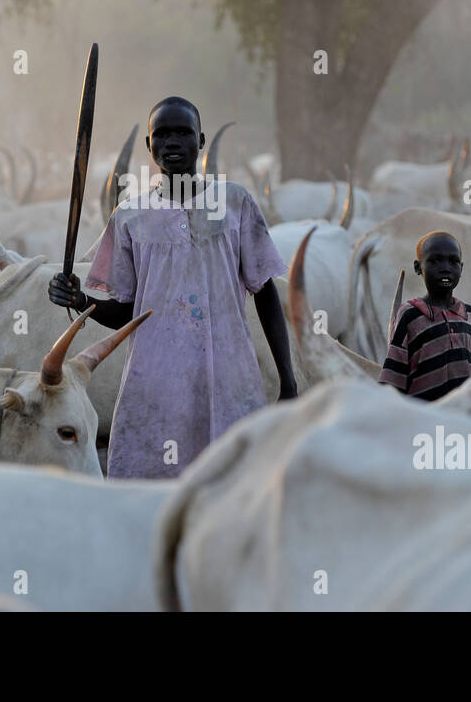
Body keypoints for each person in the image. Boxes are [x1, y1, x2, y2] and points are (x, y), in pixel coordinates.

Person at [47, 96, 296, 479]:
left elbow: (265, 292)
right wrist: (81, 300)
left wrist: (287, 378)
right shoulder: (130, 217)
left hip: (229, 378)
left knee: (235, 484)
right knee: (148, 487)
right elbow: (127, 312)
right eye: (162, 134)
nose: (172, 142)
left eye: (183, 132)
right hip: (155, 383)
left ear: (201, 140)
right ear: (149, 145)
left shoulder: (235, 203)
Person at [379, 231, 471, 400]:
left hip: (464, 411)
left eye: (453, 261)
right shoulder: (410, 315)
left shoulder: (469, 314)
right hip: (423, 413)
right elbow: (393, 378)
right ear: (418, 267)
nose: (445, 268)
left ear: (461, 268)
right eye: (435, 261)